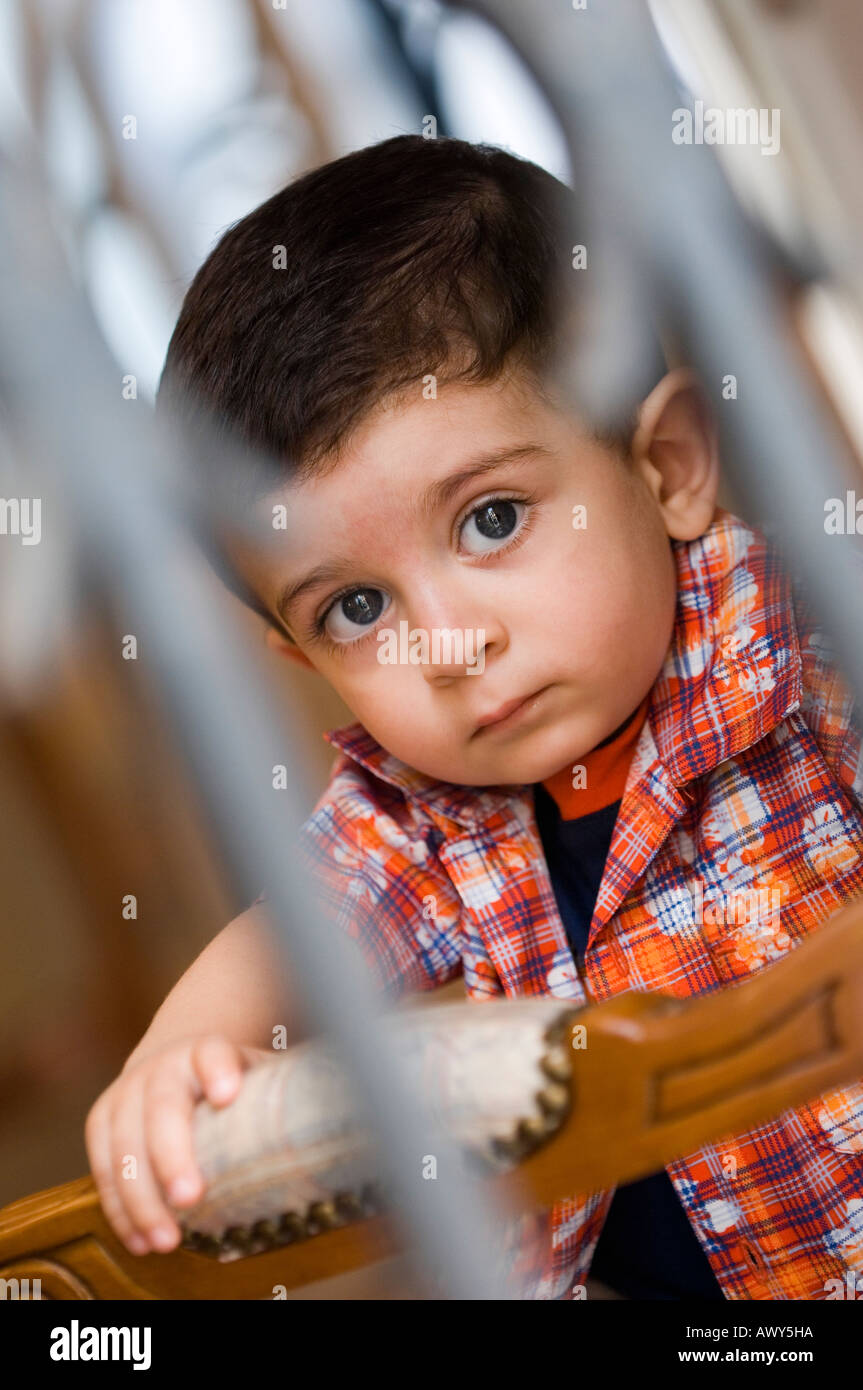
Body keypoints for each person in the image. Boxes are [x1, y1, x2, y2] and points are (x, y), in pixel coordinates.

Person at [85, 134, 863, 1300]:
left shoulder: (799, 653)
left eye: (491, 520)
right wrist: (175, 1054)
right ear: (295, 654)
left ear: (664, 466)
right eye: (356, 606)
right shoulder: (420, 814)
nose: (448, 643)